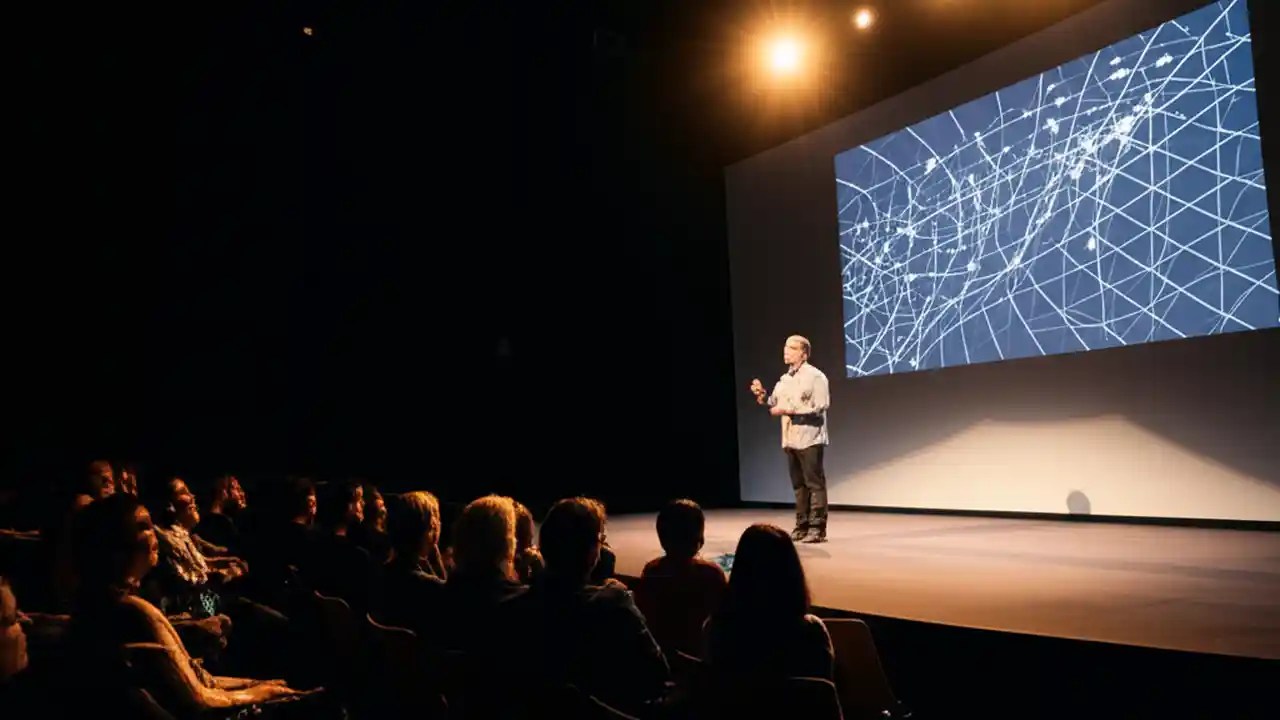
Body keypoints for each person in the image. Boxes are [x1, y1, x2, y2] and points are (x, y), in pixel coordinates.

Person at [750, 335, 830, 543]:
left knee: (814, 483)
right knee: (798, 485)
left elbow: (820, 406)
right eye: (785, 347)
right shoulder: (785, 380)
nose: (786, 351)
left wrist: (789, 410)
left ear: (803, 354)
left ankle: (817, 527)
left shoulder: (816, 376)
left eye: (792, 348)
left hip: (810, 437)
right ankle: (801, 524)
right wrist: (762, 395)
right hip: (791, 439)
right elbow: (773, 402)